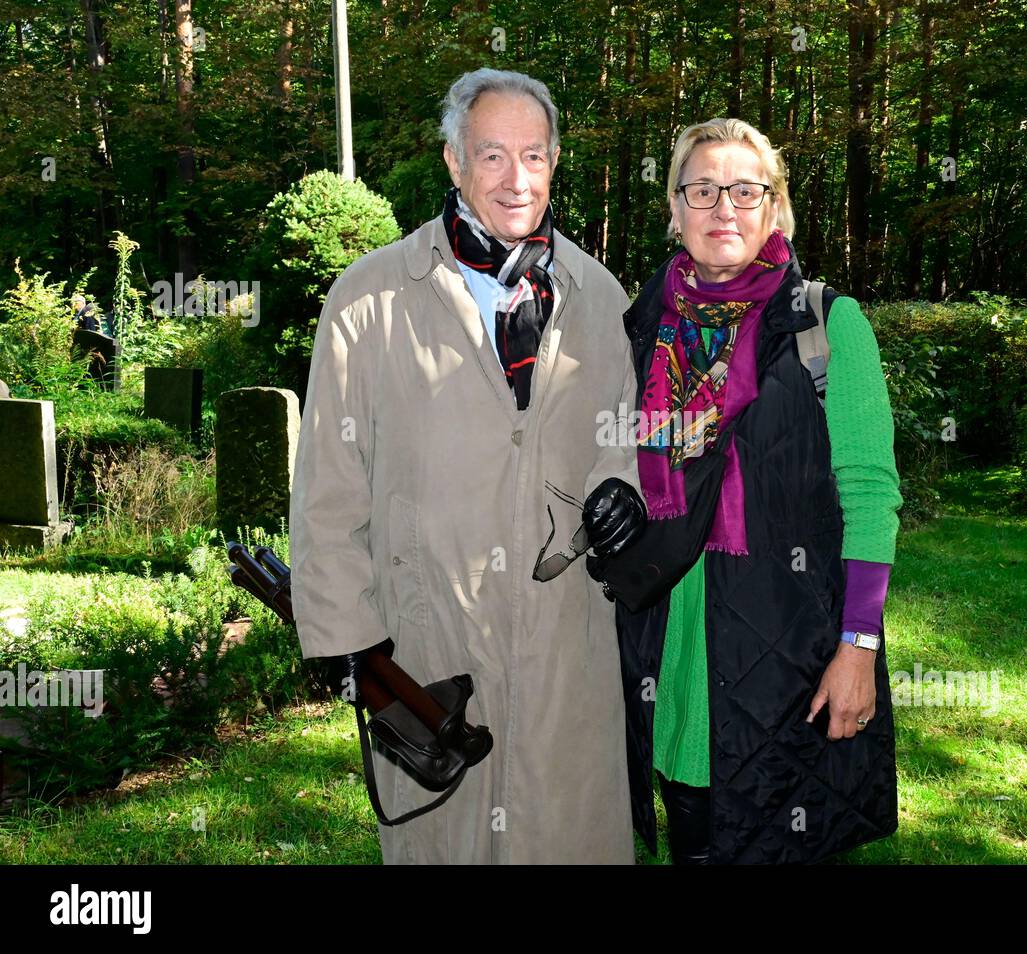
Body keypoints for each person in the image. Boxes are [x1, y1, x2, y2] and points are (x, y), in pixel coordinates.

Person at [289, 68, 645, 864]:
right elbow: (327, 484)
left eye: (533, 156)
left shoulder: (600, 296)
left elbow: (624, 431)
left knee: (567, 835)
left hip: (567, 648)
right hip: (429, 648)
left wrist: (618, 481)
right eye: (491, 156)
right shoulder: (369, 297)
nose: (516, 180)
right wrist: (346, 634)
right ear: (453, 162)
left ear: (555, 163)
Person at [595, 117, 903, 864]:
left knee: (779, 832)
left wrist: (857, 648)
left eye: (743, 190)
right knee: (692, 830)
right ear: (674, 208)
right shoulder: (638, 327)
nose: (722, 208)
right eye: (702, 190)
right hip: (667, 637)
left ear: (775, 208)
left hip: (789, 646)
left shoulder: (827, 325)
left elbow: (869, 496)